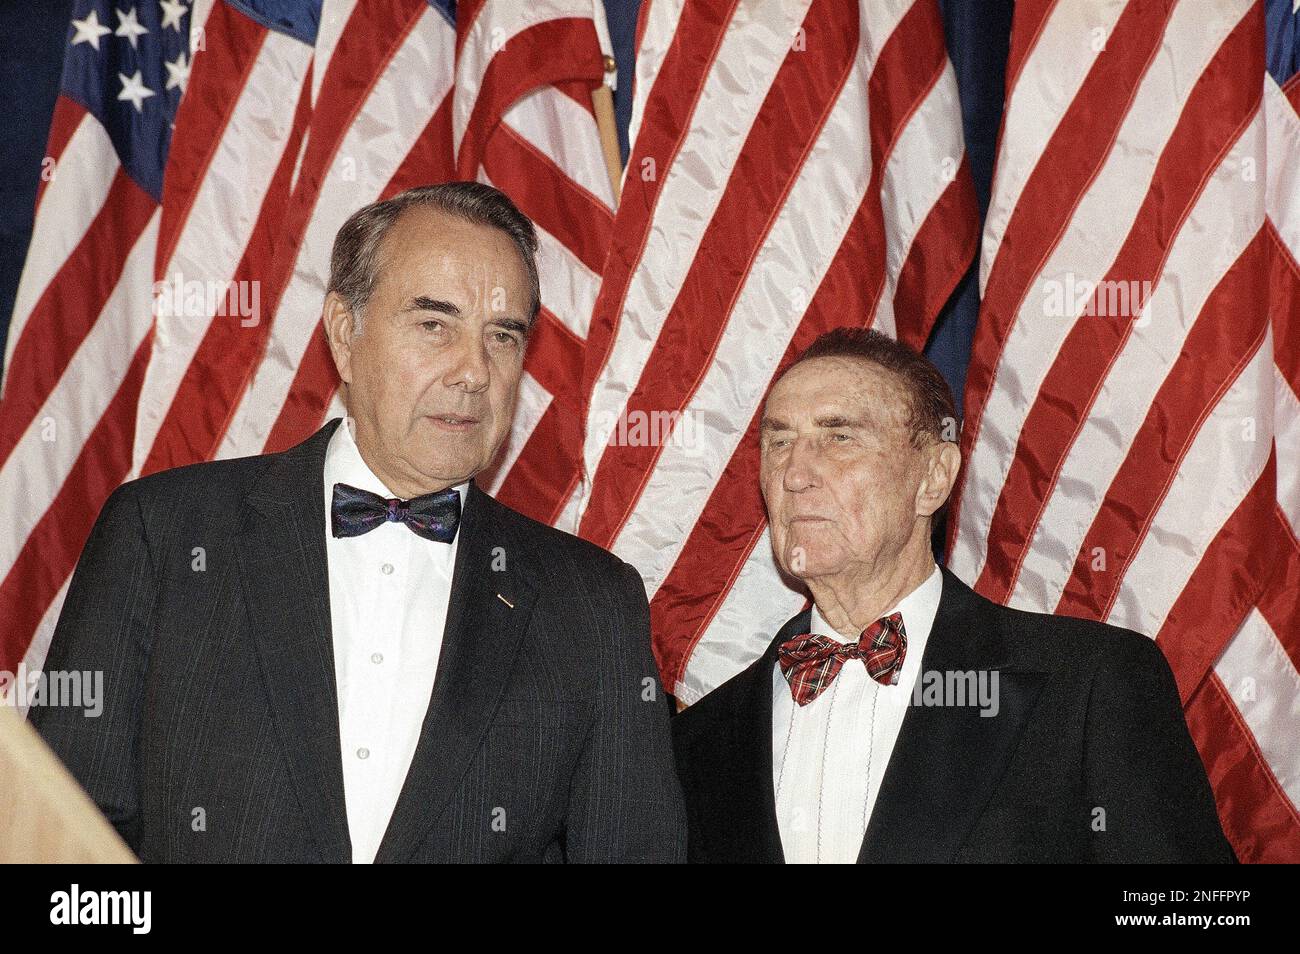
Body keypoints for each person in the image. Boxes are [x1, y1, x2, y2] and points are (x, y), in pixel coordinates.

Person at [30, 182, 686, 863]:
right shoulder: (164, 536)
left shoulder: (592, 605)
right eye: (435, 324)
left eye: (502, 335)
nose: (473, 371)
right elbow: (56, 849)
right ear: (345, 333)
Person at [672, 327, 1233, 863]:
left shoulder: (1087, 683)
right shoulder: (700, 739)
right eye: (779, 441)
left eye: (838, 436)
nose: (795, 472)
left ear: (934, 477)